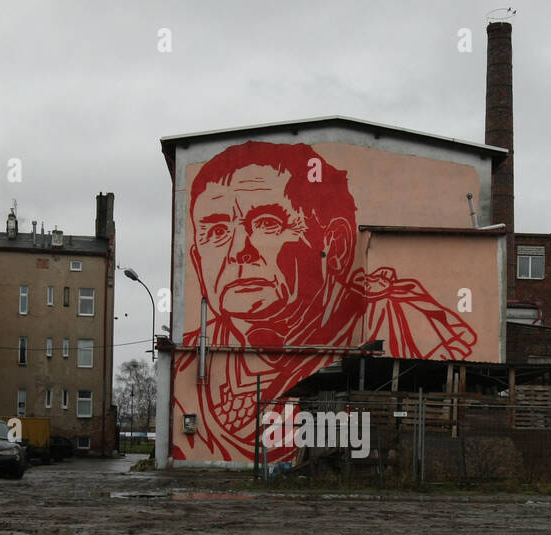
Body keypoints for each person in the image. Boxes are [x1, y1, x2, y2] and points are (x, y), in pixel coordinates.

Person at [174, 141, 477, 462]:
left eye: (267, 224)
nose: (239, 250)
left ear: (336, 244)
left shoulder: (402, 324)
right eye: (217, 230)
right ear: (196, 258)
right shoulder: (187, 360)